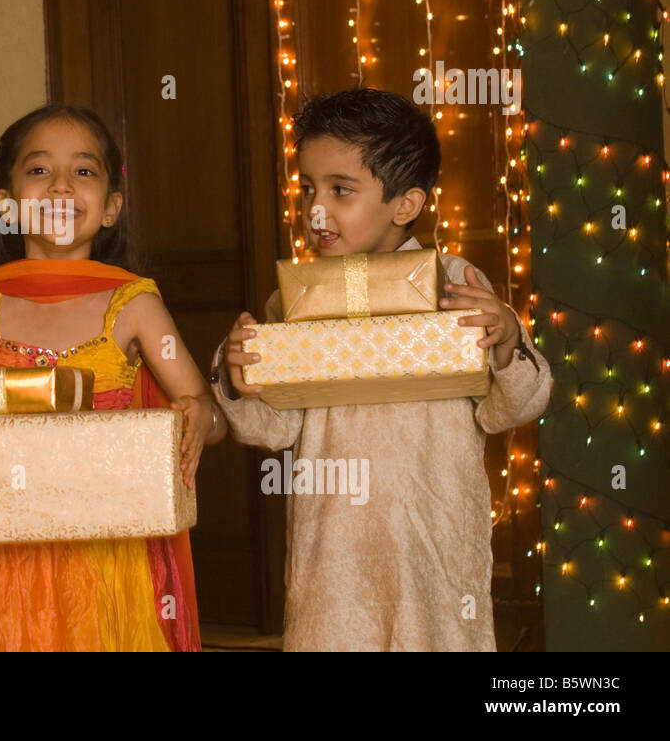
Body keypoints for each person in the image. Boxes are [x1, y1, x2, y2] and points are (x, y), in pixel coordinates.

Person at [213, 87, 553, 651]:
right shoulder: (293, 301)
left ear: (406, 205)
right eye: (308, 188)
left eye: (340, 190)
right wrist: (235, 374)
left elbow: (508, 410)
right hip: (333, 562)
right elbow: (270, 429)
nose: (315, 209)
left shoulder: (457, 285)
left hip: (434, 548)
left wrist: (506, 340)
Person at [0, 104, 222, 651]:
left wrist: (199, 414)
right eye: (39, 171)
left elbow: (202, 411)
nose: (62, 187)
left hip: (106, 561)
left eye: (84, 171)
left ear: (111, 207)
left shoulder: (134, 306)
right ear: (5, 204)